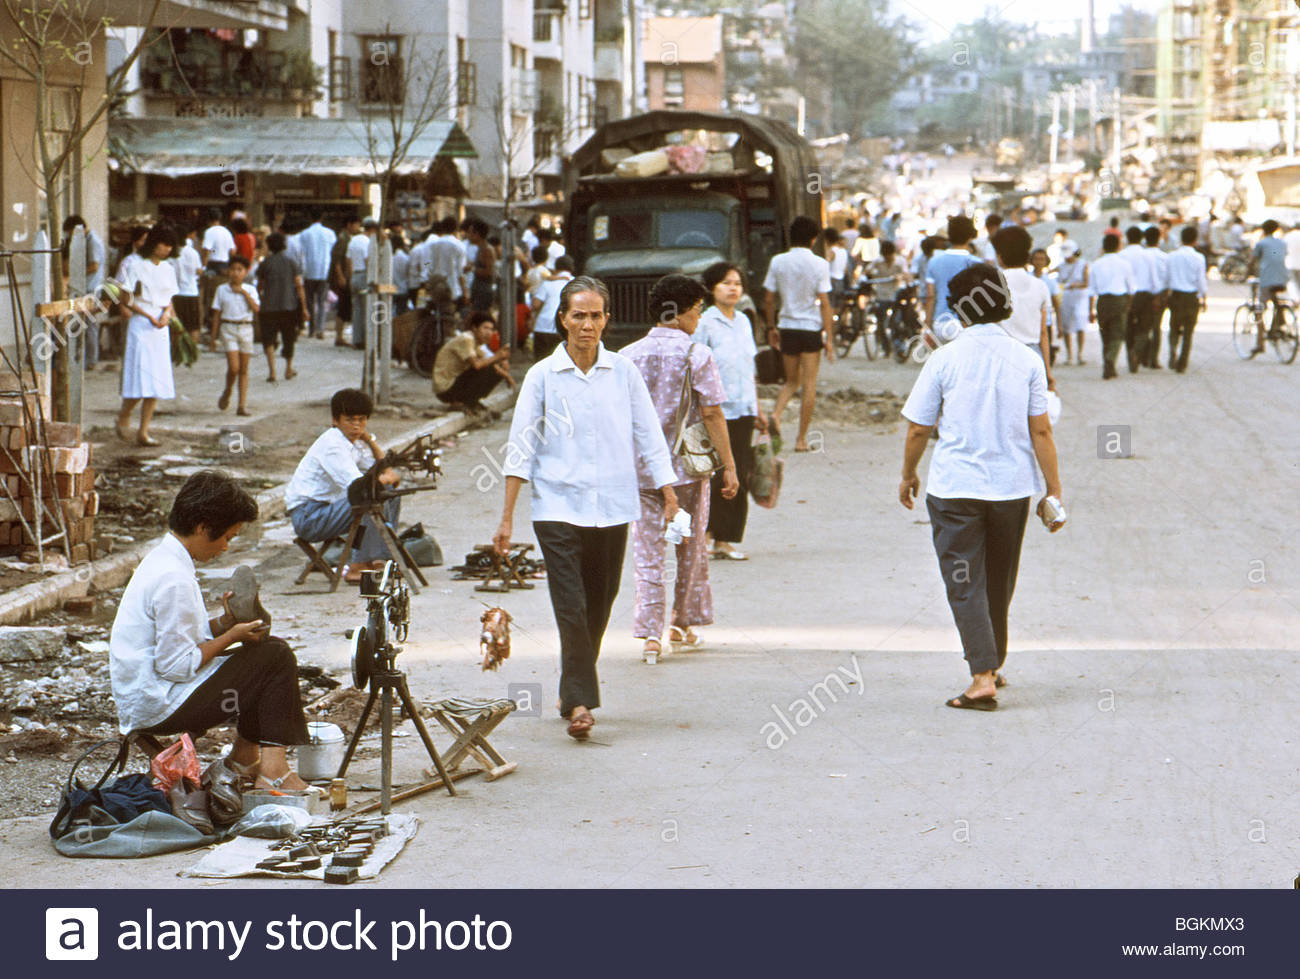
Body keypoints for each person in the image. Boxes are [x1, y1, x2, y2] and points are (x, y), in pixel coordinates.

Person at [493, 276, 680, 741]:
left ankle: (569, 685)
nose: (587, 325)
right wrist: (507, 516)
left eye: (596, 316)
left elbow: (648, 434)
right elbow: (521, 447)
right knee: (571, 606)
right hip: (557, 505)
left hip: (613, 505)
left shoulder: (623, 373)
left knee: (601, 601)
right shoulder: (542, 376)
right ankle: (580, 701)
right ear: (562, 319)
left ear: (606, 321)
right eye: (579, 315)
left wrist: (669, 490)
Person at [899, 262, 1064, 711]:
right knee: (998, 577)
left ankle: (982, 677)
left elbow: (918, 428)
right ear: (1005, 303)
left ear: (958, 307)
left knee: (963, 579)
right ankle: (992, 661)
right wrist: (1053, 489)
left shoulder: (944, 358)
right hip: (1012, 488)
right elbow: (1042, 433)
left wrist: (908, 473)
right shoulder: (1028, 359)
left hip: (956, 488)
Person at [110, 470, 312, 791]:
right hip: (160, 704)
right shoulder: (174, 579)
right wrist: (231, 638)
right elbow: (176, 666)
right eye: (227, 538)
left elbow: (179, 636)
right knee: (275, 656)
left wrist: (225, 624)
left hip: (144, 694)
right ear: (204, 528)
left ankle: (245, 759)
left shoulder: (162, 560)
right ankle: (273, 771)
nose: (226, 548)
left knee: (260, 656)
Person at [622, 275, 738, 662]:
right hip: (688, 468)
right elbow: (713, 412)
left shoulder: (627, 357)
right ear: (684, 311)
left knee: (647, 551)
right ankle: (681, 623)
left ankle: (650, 635)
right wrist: (730, 467)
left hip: (641, 471)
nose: (699, 318)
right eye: (698, 310)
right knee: (690, 547)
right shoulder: (697, 354)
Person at [285, 388, 403, 583]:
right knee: (369, 497)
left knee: (390, 494)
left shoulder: (354, 442)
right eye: (350, 420)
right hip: (309, 516)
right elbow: (359, 486)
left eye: (362, 420)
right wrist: (386, 477)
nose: (356, 426)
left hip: (327, 510)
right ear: (335, 420)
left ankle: (379, 558)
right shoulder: (333, 445)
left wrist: (370, 440)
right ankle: (357, 566)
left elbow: (382, 467)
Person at [696, 262, 767, 562]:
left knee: (739, 472)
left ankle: (725, 539)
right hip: (715, 411)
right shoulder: (704, 323)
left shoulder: (743, 322)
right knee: (714, 474)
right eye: (726, 283)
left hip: (743, 409)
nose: (733, 288)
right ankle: (708, 536)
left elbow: (748, 369)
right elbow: (695, 367)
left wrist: (758, 408)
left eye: (737, 283)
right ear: (712, 289)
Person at [765, 215, 834, 453]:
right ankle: (801, 440)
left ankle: (775, 414)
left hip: (787, 326)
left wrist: (771, 327)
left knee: (790, 381)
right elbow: (825, 303)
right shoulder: (820, 264)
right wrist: (830, 339)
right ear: (814, 239)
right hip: (810, 329)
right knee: (809, 384)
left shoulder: (777, 261)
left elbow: (769, 297)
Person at [116, 223, 179, 447]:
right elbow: (126, 299)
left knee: (156, 380)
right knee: (139, 376)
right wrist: (147, 314)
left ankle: (144, 430)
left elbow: (170, 298)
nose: (167, 249)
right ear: (154, 243)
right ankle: (124, 413)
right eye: (164, 244)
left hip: (160, 326)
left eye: (170, 246)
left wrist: (166, 316)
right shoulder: (136, 266)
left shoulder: (169, 269)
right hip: (141, 323)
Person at [993, 227, 1055, 389]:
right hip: (1033, 354)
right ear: (1028, 256)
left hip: (1003, 354)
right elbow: (1043, 333)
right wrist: (1048, 372)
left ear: (1000, 256)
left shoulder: (993, 286)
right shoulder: (1041, 286)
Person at [209, 255, 259, 416]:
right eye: (233, 269)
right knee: (234, 367)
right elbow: (216, 314)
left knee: (243, 369)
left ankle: (241, 405)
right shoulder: (222, 289)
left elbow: (256, 309)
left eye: (240, 270)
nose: (235, 273)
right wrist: (213, 338)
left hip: (245, 328)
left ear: (245, 272)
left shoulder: (250, 289)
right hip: (228, 328)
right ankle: (228, 389)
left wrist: (243, 292)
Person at [254, 233, 307, 383]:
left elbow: (260, 285)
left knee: (269, 340)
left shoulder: (265, 263)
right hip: (288, 306)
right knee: (289, 339)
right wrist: (304, 308)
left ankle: (272, 372)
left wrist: (261, 297)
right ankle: (289, 369)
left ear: (269, 246)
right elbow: (299, 286)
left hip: (268, 307)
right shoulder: (291, 262)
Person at [433, 311, 514, 407]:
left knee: (497, 366)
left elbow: (489, 361)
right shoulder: (466, 339)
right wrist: (497, 356)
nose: (489, 333)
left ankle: (471, 401)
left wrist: (506, 374)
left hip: (454, 385)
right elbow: (477, 365)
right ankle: (463, 401)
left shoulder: (477, 343)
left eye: (491, 329)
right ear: (474, 328)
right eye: (485, 328)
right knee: (486, 368)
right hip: (445, 389)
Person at [61, 215, 107, 367]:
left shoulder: (93, 242)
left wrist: (76, 274)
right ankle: (81, 357)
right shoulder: (85, 241)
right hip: (84, 287)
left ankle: (91, 360)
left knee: (90, 324)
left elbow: (94, 266)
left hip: (91, 288)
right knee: (79, 324)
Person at [1088, 234, 1135, 379]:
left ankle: (1109, 365)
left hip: (1102, 301)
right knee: (1118, 334)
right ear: (1118, 246)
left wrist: (1091, 310)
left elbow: (1091, 291)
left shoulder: (1096, 264)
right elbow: (1132, 289)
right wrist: (1128, 305)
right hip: (1119, 299)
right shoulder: (1124, 263)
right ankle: (1110, 360)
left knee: (1105, 334)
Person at [925, 215, 981, 332]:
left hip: (940, 322)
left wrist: (927, 327)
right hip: (967, 323)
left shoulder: (934, 261)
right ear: (970, 237)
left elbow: (930, 297)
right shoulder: (977, 264)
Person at [1166, 225, 1208, 373]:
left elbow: (1167, 278)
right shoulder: (1199, 257)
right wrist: (1204, 296)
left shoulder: (1171, 256)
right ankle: (1182, 362)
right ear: (1195, 240)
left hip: (1176, 295)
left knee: (1174, 327)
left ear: (1181, 239)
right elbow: (1201, 280)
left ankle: (1172, 351)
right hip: (1191, 297)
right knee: (1188, 331)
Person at [1119, 227, 1156, 372]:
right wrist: (1156, 295)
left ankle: (1130, 355)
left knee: (1128, 327)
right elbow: (1154, 278)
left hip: (1126, 295)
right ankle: (1136, 350)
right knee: (1145, 327)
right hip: (1145, 294)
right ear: (1142, 239)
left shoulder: (1121, 255)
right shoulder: (1148, 255)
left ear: (1127, 238)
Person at [1252, 219, 1289, 355]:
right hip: (1282, 278)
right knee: (1276, 301)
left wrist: (1248, 272)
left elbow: (1254, 259)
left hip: (1267, 279)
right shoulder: (1282, 243)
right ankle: (1278, 324)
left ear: (1263, 229)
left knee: (1259, 310)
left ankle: (1259, 344)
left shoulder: (1261, 243)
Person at [297, 210, 336, 338]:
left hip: (309, 271)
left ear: (310, 217)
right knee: (322, 302)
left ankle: (311, 329)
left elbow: (301, 251)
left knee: (309, 302)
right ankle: (320, 329)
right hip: (324, 271)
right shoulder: (329, 233)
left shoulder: (304, 234)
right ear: (322, 218)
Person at [530, 255, 574, 360]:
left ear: (556, 268)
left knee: (541, 362)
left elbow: (535, 305)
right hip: (566, 328)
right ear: (572, 268)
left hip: (543, 327)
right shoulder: (577, 283)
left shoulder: (547, 284)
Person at [1054, 241, 1090, 366]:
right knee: (1066, 326)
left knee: (1080, 325)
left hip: (1079, 296)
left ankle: (1080, 353)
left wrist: (1075, 285)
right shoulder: (1061, 266)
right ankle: (1069, 355)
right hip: (1066, 297)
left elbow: (1086, 282)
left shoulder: (1083, 264)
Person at [170, 225, 203, 347]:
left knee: (176, 324)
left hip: (176, 293)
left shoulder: (172, 254)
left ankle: (176, 350)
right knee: (193, 325)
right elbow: (199, 271)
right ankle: (192, 350)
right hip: (192, 292)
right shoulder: (193, 252)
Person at [330, 215, 360, 346]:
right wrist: (341, 276)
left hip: (346, 277)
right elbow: (336, 260)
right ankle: (339, 336)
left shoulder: (348, 238)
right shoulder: (343, 239)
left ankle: (340, 336)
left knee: (344, 307)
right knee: (343, 307)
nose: (358, 228)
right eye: (356, 225)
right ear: (349, 224)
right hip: (343, 277)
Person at [348, 217, 378, 350]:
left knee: (356, 310)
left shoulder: (353, 240)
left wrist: (350, 277)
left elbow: (348, 260)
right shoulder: (368, 242)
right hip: (365, 276)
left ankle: (356, 340)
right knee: (368, 309)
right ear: (372, 230)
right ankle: (367, 341)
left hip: (354, 275)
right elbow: (368, 260)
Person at [466, 218, 497, 313]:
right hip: (478, 291)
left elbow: (489, 272)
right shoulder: (480, 248)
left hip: (483, 293)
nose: (468, 236)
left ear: (477, 234)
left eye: (470, 233)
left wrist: (472, 269)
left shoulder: (487, 250)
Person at [825, 226, 849, 318]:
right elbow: (846, 269)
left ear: (827, 239)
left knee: (830, 307)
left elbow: (826, 264)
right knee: (838, 308)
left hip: (832, 281)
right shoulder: (843, 251)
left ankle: (831, 329)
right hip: (841, 282)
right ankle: (838, 328)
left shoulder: (831, 251)